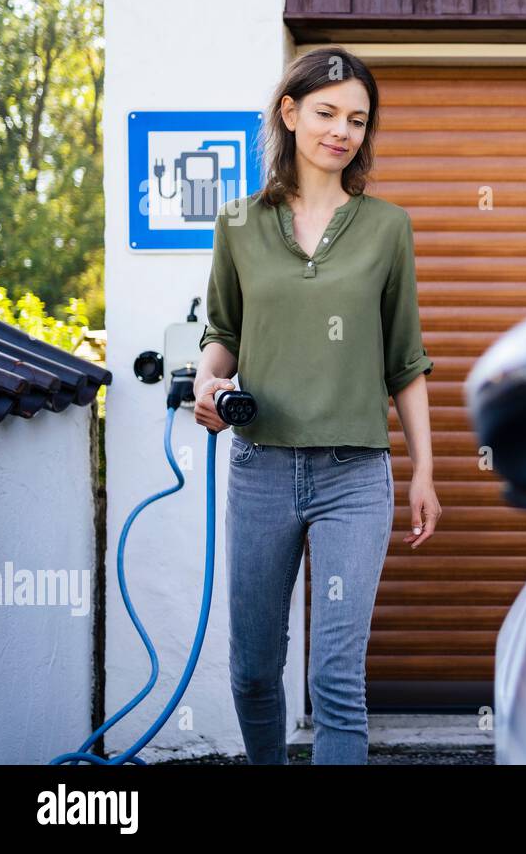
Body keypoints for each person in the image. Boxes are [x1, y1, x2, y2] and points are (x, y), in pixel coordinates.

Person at [192, 46, 441, 764]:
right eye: (327, 112)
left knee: (336, 676)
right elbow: (224, 334)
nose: (342, 130)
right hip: (260, 469)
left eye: (358, 120)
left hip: (354, 475)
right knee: (251, 671)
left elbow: (405, 358)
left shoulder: (387, 228)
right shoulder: (238, 224)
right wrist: (209, 382)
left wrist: (424, 469)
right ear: (291, 112)